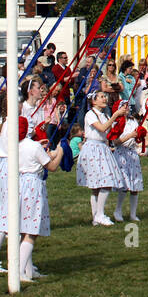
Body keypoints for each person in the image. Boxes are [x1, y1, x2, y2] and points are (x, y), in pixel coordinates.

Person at [1, 118, 64, 282]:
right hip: (33, 186)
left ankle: (29, 271)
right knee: (31, 231)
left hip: (17, 184)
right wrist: (60, 152)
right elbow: (52, 166)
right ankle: (19, 271)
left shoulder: (13, 147)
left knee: (23, 229)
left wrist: (40, 148)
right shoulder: (33, 146)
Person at [77, 90, 125, 224]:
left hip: (102, 148)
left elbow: (110, 130)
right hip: (93, 149)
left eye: (105, 96)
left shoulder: (104, 115)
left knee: (99, 185)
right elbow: (103, 128)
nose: (105, 99)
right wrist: (115, 115)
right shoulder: (90, 115)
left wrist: (120, 119)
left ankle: (97, 216)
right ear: (94, 101)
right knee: (103, 182)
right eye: (102, 97)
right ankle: (99, 214)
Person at [112, 108, 145, 221]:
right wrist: (130, 135)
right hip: (121, 154)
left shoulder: (133, 121)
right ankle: (118, 210)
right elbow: (115, 142)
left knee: (135, 185)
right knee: (124, 185)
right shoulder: (116, 123)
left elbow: (137, 138)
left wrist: (139, 140)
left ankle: (133, 214)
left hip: (132, 153)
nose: (126, 109)